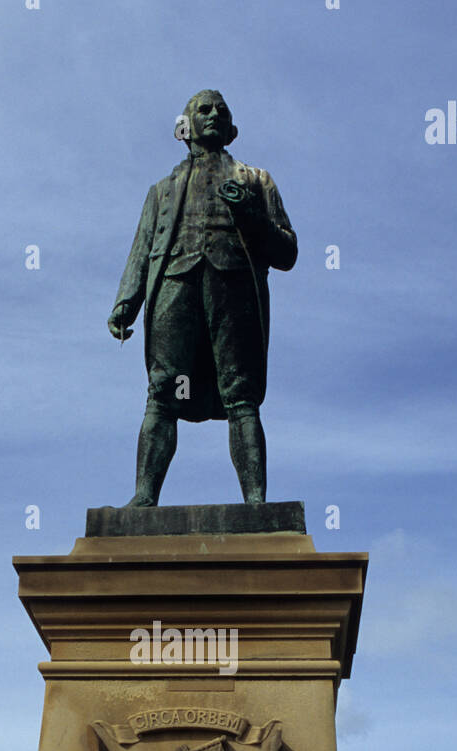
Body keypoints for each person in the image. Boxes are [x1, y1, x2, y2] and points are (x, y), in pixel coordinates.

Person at [108, 90, 297, 505]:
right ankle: (144, 497)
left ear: (232, 129)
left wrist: (250, 213)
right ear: (185, 127)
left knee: (241, 394)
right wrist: (126, 303)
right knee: (164, 391)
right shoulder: (162, 190)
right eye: (203, 109)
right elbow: (141, 249)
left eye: (221, 111)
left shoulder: (255, 181)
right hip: (174, 286)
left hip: (234, 288)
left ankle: (256, 504)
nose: (213, 115)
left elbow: (287, 253)